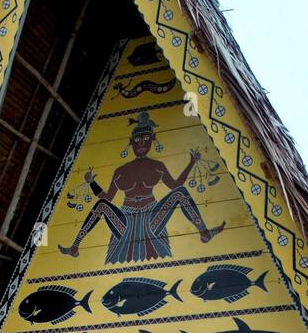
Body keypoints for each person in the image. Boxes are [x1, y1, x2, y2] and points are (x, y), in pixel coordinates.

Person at [59, 111, 224, 264]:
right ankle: (75, 246)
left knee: (180, 192)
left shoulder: (157, 166)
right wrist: (92, 183)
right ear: (131, 142)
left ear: (153, 139)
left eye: (146, 139)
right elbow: (107, 198)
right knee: (101, 205)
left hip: (152, 218)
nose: (141, 144)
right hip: (125, 221)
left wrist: (192, 163)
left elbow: (175, 185)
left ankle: (204, 232)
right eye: (137, 140)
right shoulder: (120, 171)